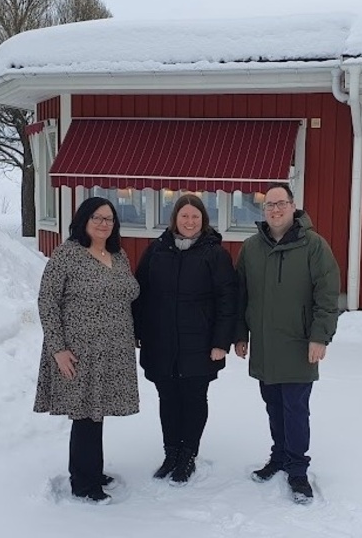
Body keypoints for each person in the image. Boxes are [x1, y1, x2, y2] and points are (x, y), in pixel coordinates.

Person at [234, 182, 341, 505]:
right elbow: (241, 297)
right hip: (265, 345)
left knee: (295, 408)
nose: (275, 210)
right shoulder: (252, 248)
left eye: (281, 203)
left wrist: (320, 336)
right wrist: (240, 335)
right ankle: (279, 455)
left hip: (298, 343)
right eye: (269, 205)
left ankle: (297, 469)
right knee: (273, 404)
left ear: (293, 207)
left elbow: (327, 295)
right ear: (263, 211)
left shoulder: (314, 246)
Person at [34, 197, 140, 504]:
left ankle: (92, 468)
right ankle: (83, 481)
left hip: (113, 350)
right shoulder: (67, 254)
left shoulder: (118, 256)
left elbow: (128, 295)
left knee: (97, 412)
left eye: (109, 219)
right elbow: (47, 302)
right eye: (98, 217)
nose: (104, 223)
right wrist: (58, 349)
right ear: (84, 220)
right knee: (85, 415)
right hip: (79, 351)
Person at [133, 193, 237, 484]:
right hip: (161, 342)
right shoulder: (156, 251)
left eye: (195, 216)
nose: (189, 221)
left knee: (193, 398)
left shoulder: (215, 254)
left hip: (200, 344)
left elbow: (227, 300)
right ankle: (171, 453)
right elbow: (140, 294)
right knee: (167, 398)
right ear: (174, 219)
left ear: (203, 220)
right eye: (184, 216)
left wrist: (220, 342)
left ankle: (187, 455)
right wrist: (138, 331)